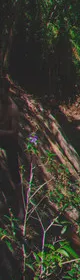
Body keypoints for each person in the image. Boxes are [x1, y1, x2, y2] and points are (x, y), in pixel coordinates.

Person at [0, 78, 22, 217]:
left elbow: (14, 132)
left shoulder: (13, 108)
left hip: (10, 141)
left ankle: (21, 207)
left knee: (15, 174)